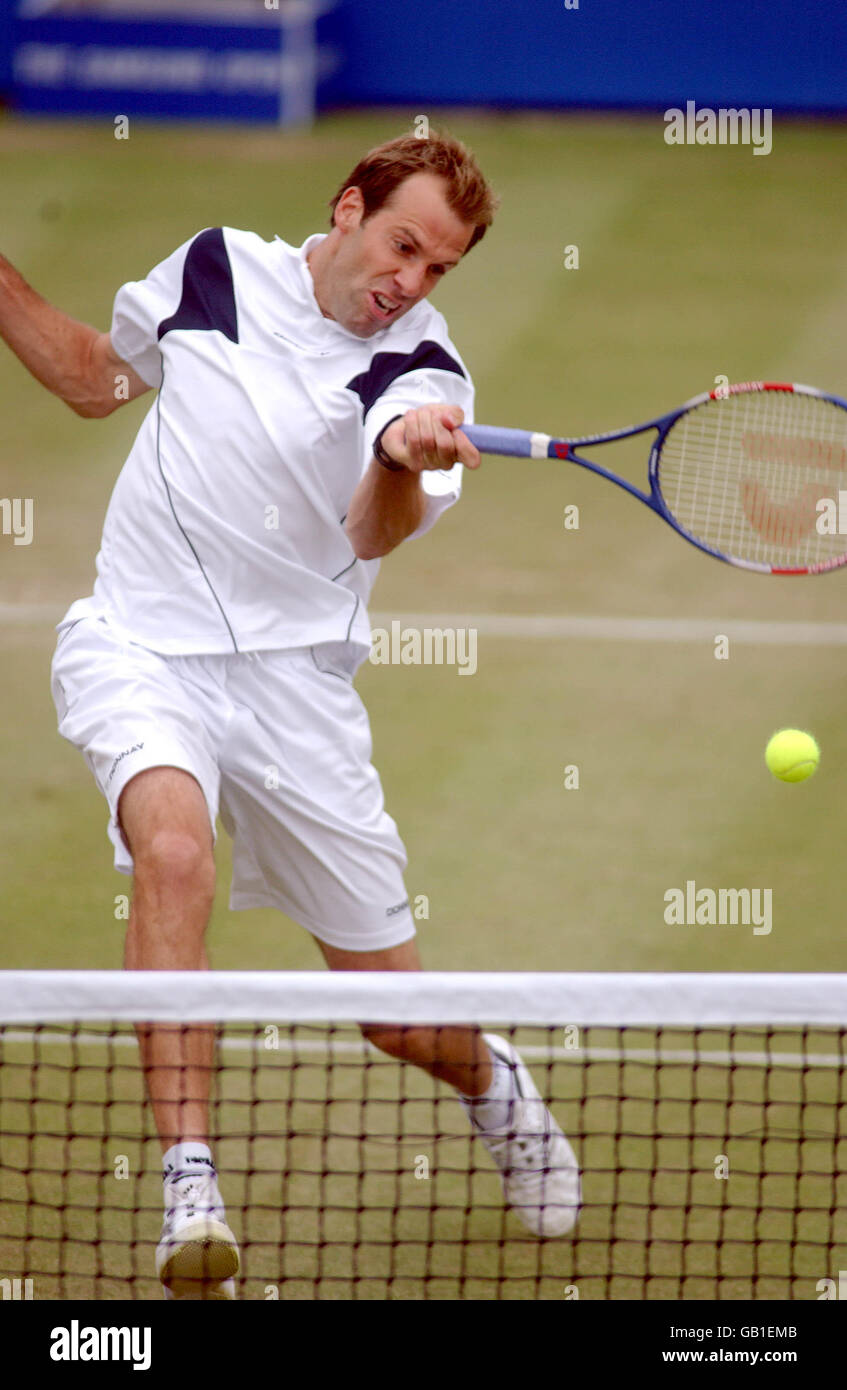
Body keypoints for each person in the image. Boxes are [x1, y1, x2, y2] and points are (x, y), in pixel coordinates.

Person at [0, 131, 581, 1298]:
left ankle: (492, 1081)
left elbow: (373, 530)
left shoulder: (424, 372)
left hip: (292, 689)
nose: (409, 282)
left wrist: (405, 459)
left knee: (394, 1021)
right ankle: (191, 1180)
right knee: (170, 854)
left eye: (438, 269)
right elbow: (90, 381)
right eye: (402, 246)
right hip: (142, 644)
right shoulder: (214, 271)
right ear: (349, 208)